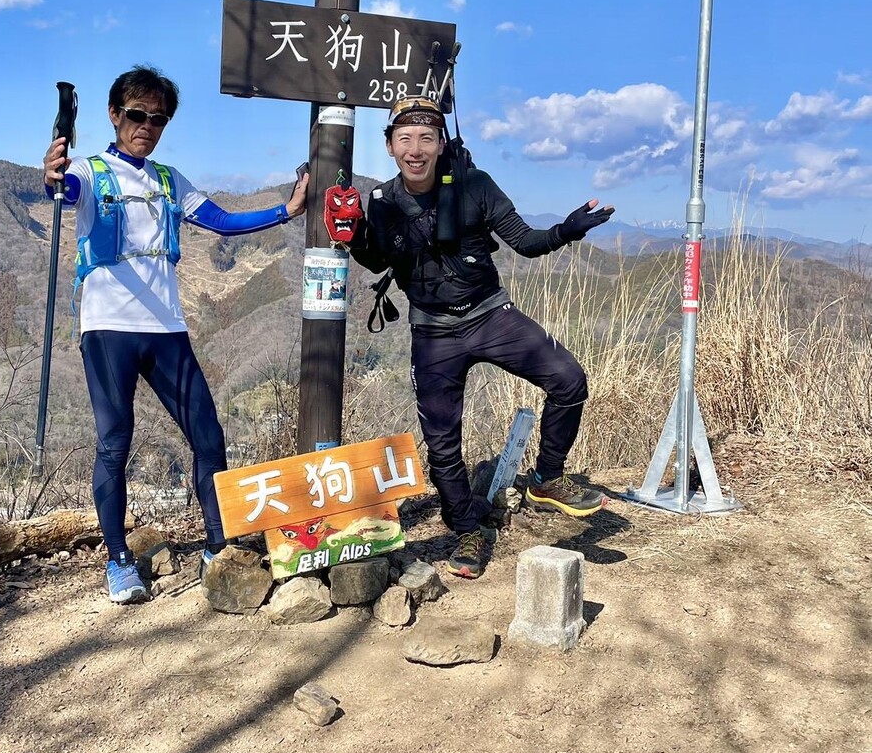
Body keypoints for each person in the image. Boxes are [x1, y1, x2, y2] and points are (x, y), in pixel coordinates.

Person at [43, 64, 308, 604]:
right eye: (136, 114)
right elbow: (65, 189)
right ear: (114, 115)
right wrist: (52, 174)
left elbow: (222, 222)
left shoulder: (168, 180)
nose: (146, 125)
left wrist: (288, 210)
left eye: (158, 118)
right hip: (108, 328)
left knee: (208, 435)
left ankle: (218, 545)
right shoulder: (93, 173)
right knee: (115, 442)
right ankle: (118, 560)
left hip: (166, 328)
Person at [340, 95, 613, 580]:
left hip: (491, 315)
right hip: (432, 330)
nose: (416, 148)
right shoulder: (381, 202)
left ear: (442, 143)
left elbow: (525, 243)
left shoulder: (475, 186)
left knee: (568, 378)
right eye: (405, 139)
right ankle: (467, 527)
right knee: (442, 443)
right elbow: (377, 260)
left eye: (427, 138)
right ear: (389, 147)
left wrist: (566, 231)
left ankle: (548, 478)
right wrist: (354, 236)